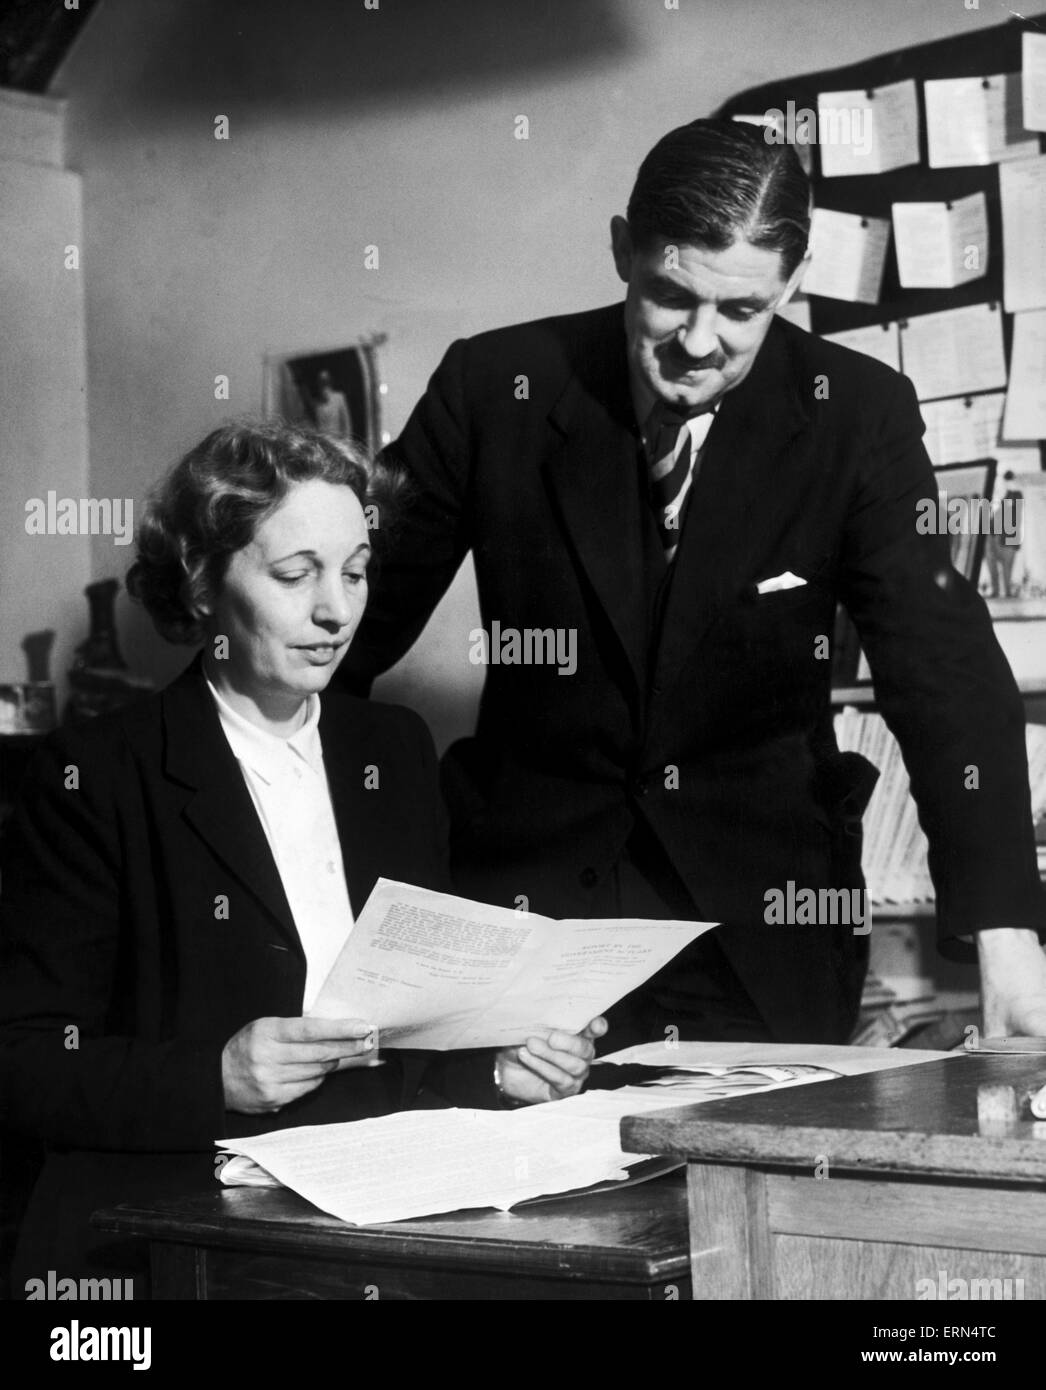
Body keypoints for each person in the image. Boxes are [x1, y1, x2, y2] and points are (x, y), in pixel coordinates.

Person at [339, 118, 1046, 1049]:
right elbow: (344, 630)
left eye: (743, 310)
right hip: (525, 920)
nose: (700, 342)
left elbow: (942, 670)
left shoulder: (857, 418)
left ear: (790, 285)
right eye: (671, 295)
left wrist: (1008, 940)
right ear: (623, 249)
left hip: (763, 928)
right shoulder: (495, 386)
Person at [0, 420, 603, 1293]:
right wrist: (217, 1076)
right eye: (296, 575)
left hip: (381, 1202)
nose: (337, 609)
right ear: (202, 585)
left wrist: (504, 1066)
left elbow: (414, 1026)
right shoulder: (95, 774)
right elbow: (23, 1060)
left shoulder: (393, 749)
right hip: (181, 1221)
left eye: (355, 572)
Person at [311, 368, 352, 437]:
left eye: (326, 382)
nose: (324, 385)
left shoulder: (339, 398)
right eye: (321, 382)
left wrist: (347, 442)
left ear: (330, 382)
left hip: (339, 443)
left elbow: (346, 424)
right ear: (318, 384)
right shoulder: (316, 404)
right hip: (323, 444)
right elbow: (317, 427)